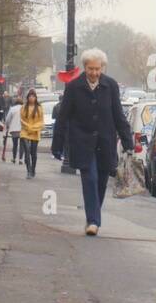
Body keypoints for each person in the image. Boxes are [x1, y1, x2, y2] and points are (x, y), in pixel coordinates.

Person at [51, 48, 133, 236]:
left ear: (102, 67)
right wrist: (57, 144)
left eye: (97, 69)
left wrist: (128, 141)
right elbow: (63, 117)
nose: (94, 73)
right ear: (84, 67)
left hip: (105, 141)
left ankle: (93, 217)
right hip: (82, 141)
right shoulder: (73, 87)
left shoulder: (111, 86)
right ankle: (94, 221)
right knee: (90, 178)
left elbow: (118, 115)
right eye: (90, 69)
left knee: (102, 181)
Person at [19, 90, 44, 179]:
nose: (31, 98)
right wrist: (27, 126)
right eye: (30, 96)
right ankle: (28, 171)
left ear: (36, 98)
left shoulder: (39, 108)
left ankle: (33, 169)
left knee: (33, 152)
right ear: (27, 97)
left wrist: (33, 128)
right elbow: (21, 119)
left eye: (33, 96)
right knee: (27, 150)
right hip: (25, 131)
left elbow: (41, 121)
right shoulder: (23, 107)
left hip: (35, 131)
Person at [3, 97, 23, 163]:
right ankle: (20, 159)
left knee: (15, 144)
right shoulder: (24, 108)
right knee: (22, 144)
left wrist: (8, 125)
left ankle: (14, 158)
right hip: (23, 129)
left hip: (14, 129)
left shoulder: (12, 109)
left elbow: (7, 119)